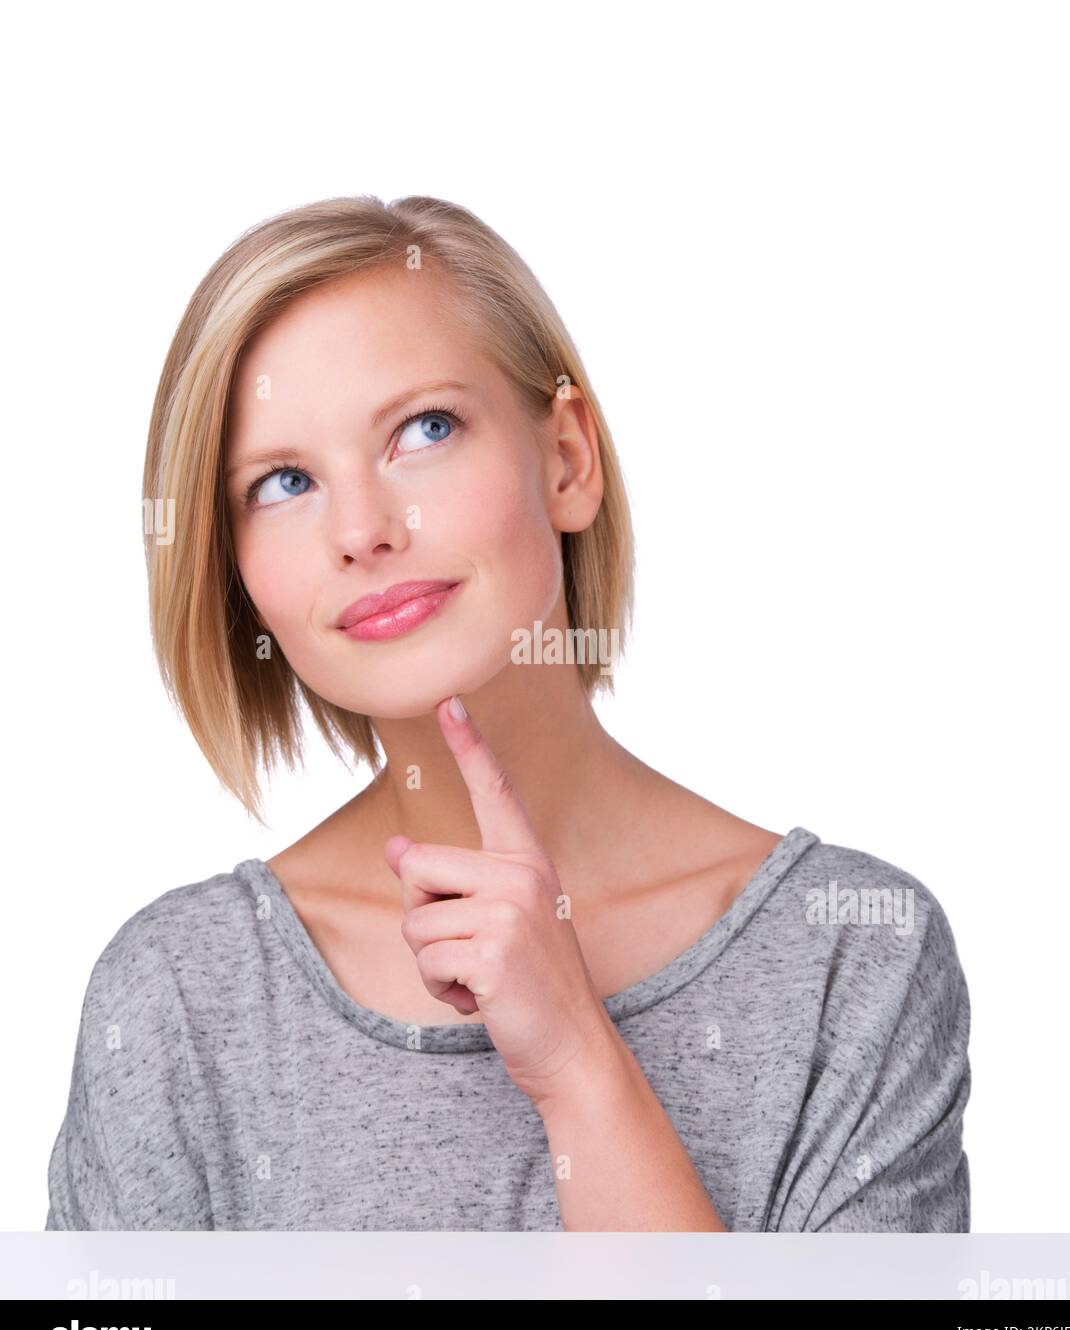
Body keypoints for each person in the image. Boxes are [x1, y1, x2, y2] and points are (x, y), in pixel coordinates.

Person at [45, 194, 971, 1232]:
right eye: (283, 481)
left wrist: (579, 1064)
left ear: (567, 458)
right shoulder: (180, 999)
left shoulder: (850, 960)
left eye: (423, 429)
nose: (360, 529)